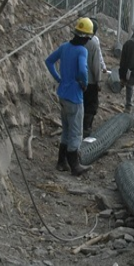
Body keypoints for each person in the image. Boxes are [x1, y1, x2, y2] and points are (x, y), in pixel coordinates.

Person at [44, 17, 94, 177]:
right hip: (75, 97)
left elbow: (49, 61)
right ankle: (75, 165)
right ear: (86, 37)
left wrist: (58, 78)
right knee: (76, 132)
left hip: (63, 94)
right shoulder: (82, 51)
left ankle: (61, 161)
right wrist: (84, 83)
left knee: (66, 129)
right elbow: (82, 70)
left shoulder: (65, 47)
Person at [83, 17, 107, 137]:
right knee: (91, 105)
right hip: (90, 81)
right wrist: (98, 81)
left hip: (77, 81)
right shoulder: (93, 43)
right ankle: (86, 129)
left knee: (81, 103)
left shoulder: (75, 41)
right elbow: (96, 65)